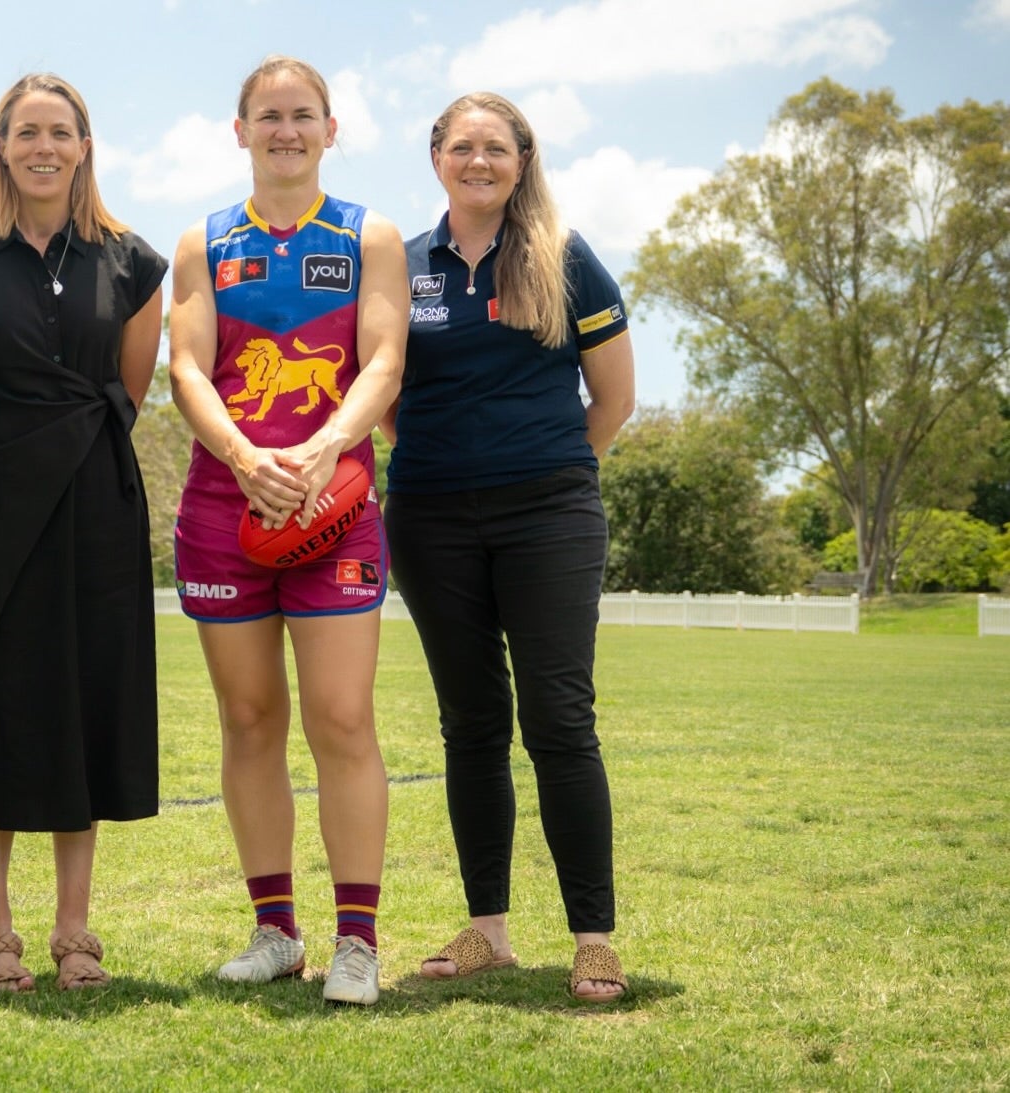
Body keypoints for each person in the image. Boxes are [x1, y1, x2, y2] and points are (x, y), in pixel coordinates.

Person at [0, 74, 166, 993]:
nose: (43, 147)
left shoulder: (132, 261)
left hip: (96, 506)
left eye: (60, 132)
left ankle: (73, 930)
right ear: (1, 146)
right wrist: (16, 464)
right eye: (26, 132)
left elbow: (127, 389)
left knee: (81, 701)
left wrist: (65, 458)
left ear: (84, 146)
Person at [166, 56, 408, 1006]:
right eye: (267, 117)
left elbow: (383, 361)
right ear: (240, 132)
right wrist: (243, 458)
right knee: (248, 719)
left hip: (331, 506)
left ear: (329, 129)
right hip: (225, 509)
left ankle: (357, 942)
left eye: (302, 115)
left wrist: (319, 451)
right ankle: (275, 930)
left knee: (341, 718)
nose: (285, 131)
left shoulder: (366, 236)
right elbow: (186, 368)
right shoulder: (203, 242)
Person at [385, 92, 636, 1003]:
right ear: (436, 158)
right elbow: (384, 395)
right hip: (429, 517)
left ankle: (592, 938)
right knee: (471, 724)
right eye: (462, 147)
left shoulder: (565, 258)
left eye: (496, 148)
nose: (478, 161)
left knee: (559, 723)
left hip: (549, 516)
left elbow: (613, 400)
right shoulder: (399, 265)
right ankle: (487, 930)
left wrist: (546, 470)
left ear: (521, 161)